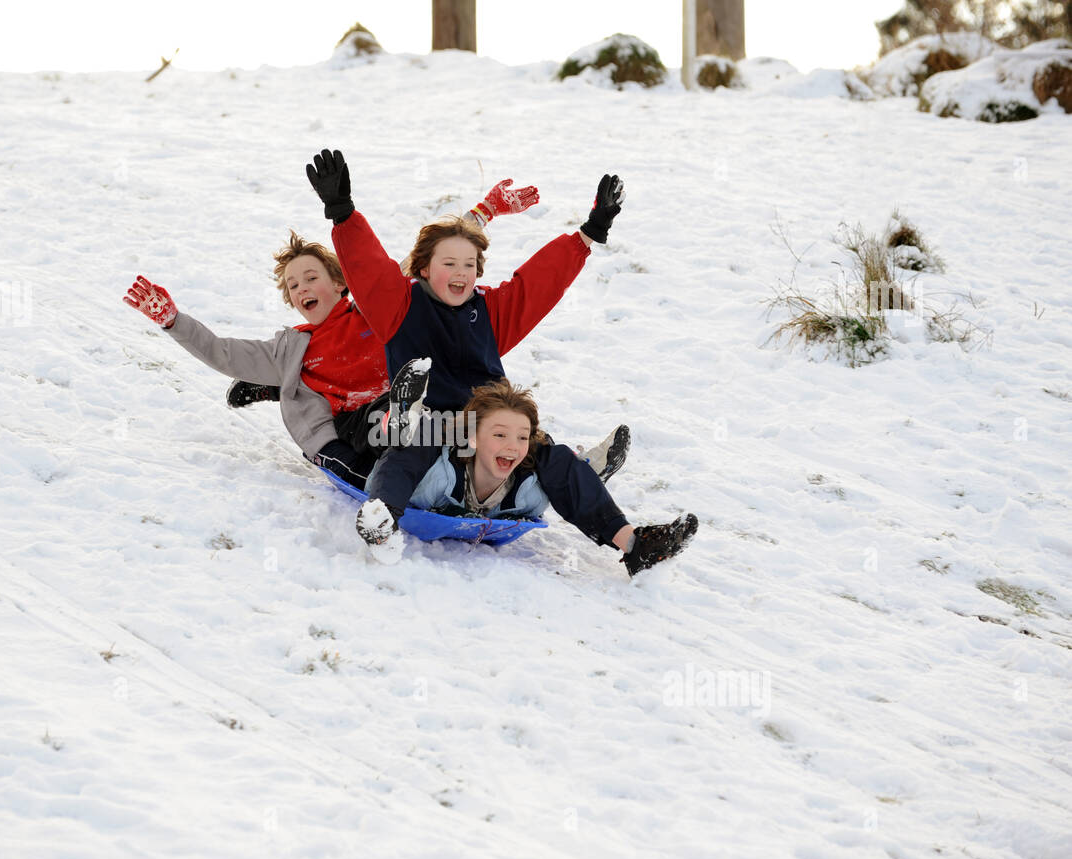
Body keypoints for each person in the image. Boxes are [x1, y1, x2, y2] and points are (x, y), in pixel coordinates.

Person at [305, 148, 692, 574]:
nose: (461, 272)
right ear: (424, 267)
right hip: (427, 419)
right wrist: (342, 212)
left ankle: (631, 542)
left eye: (469, 264)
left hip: (487, 423)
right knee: (409, 441)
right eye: (449, 263)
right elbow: (371, 270)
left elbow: (538, 284)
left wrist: (589, 232)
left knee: (550, 456)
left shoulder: (488, 311)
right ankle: (382, 518)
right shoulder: (399, 305)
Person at [123, 179, 628, 489]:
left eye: (312, 276)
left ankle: (569, 468)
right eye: (293, 284)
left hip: (408, 402)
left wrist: (487, 210)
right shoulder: (291, 345)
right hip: (356, 425)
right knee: (385, 444)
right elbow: (222, 352)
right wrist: (172, 320)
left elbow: (432, 265)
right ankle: (283, 388)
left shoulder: (376, 311)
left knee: (484, 420)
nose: (303, 287)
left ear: (341, 283)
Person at [362, 379, 696, 575]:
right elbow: (397, 466)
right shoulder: (435, 472)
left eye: (522, 437)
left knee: (556, 462)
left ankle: (635, 545)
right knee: (415, 437)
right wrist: (383, 514)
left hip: (512, 496)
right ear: (474, 436)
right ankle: (402, 421)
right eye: (500, 435)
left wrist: (554, 459)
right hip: (408, 461)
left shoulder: (530, 490)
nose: (513, 445)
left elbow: (544, 459)